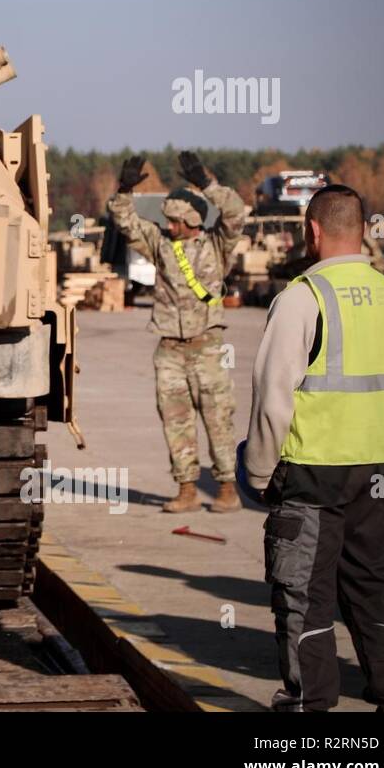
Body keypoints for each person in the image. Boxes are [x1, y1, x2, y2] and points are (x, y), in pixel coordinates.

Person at [244, 184, 384, 712]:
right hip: (380, 477)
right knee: (378, 599)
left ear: (313, 231)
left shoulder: (303, 297)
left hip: (313, 478)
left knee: (306, 606)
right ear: (367, 232)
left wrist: (257, 473)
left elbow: (273, 400)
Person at [108, 151, 247, 512]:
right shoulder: (160, 244)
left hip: (207, 345)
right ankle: (186, 488)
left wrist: (208, 185)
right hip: (169, 348)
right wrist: (123, 189)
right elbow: (124, 221)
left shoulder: (217, 245)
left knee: (218, 418)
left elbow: (235, 213)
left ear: (189, 220)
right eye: (167, 220)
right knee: (175, 420)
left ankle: (227, 488)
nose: (168, 226)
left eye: (174, 220)